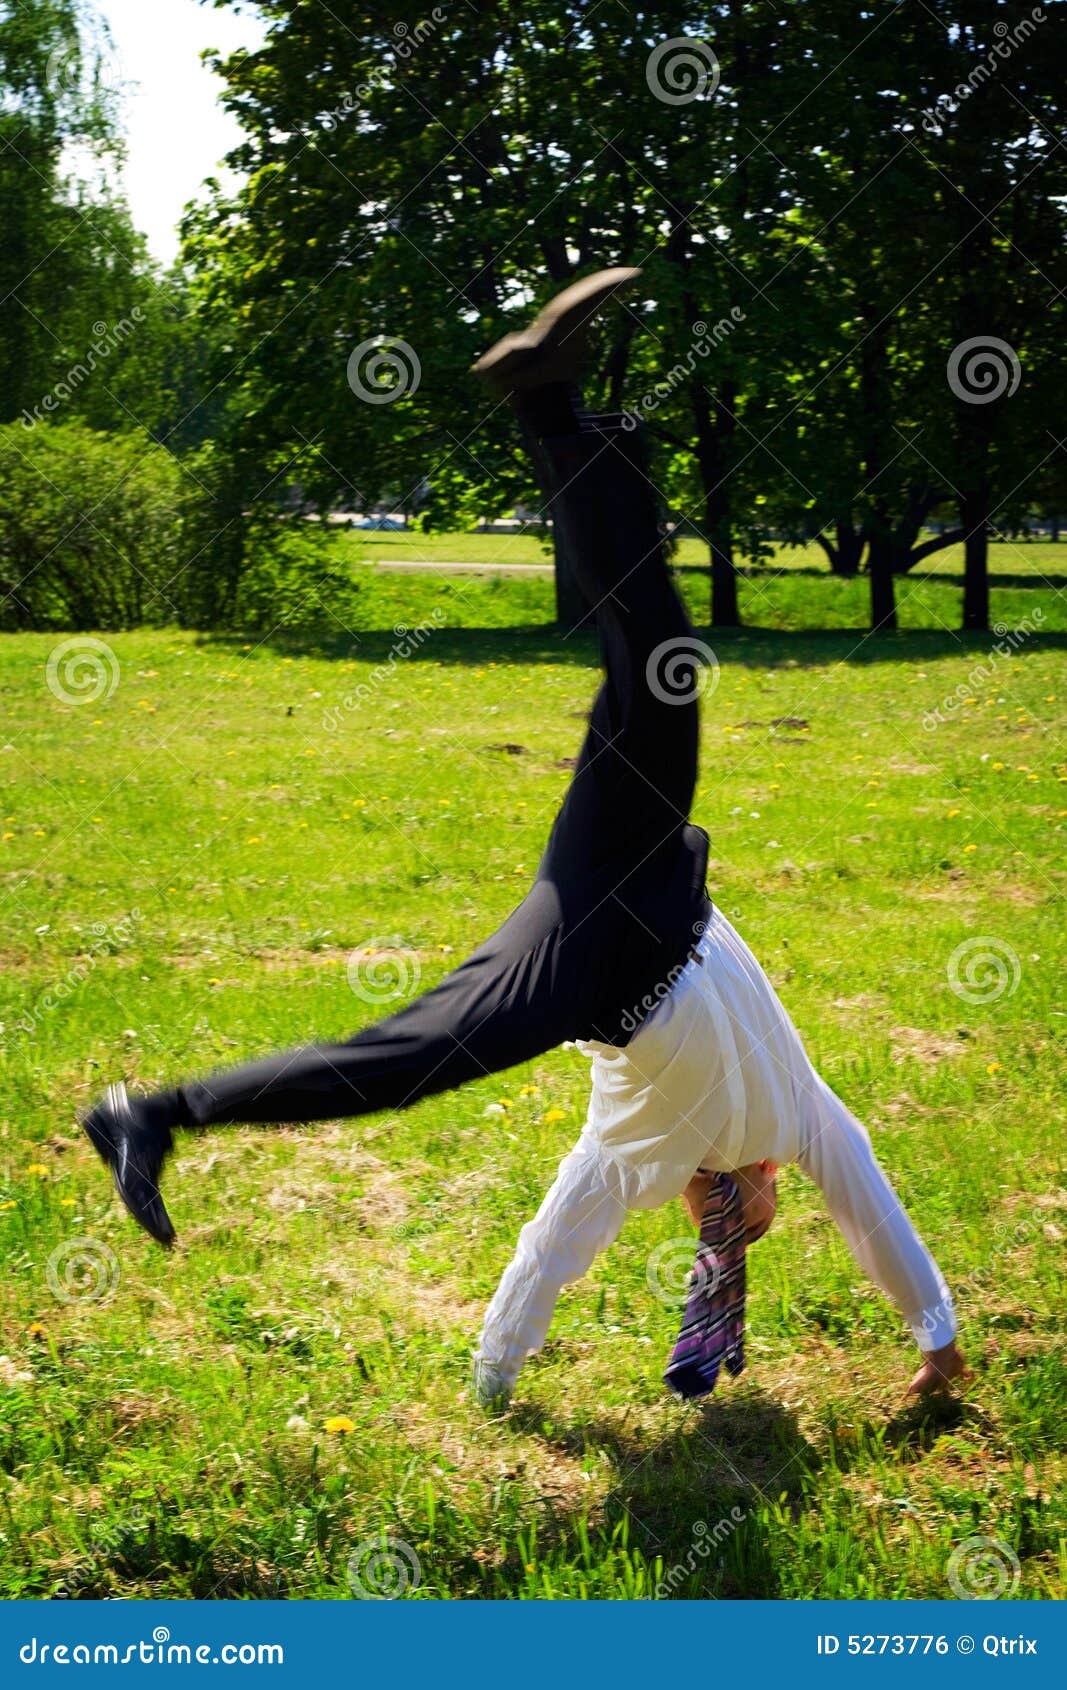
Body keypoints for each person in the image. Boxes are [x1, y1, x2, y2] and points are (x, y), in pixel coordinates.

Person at [82, 269, 966, 1407]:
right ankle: (555, 403)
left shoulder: (631, 1158)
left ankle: (148, 1115)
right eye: (742, 1221)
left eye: (717, 1232)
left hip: (582, 975)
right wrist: (935, 1342)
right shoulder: (805, 1123)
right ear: (769, 1195)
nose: (723, 1219)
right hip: (637, 873)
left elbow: (554, 1243)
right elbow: (872, 1211)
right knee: (659, 668)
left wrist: (495, 1374)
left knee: (403, 1062)